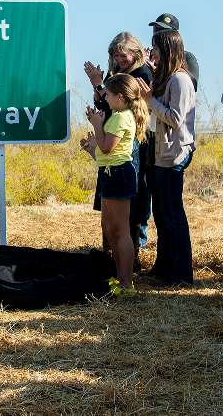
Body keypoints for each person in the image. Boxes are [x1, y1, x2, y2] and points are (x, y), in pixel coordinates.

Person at [84, 32, 153, 271]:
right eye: (115, 55)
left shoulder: (142, 75)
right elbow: (106, 106)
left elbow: (109, 141)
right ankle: (115, 262)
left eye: (123, 55)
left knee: (126, 217)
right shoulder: (117, 79)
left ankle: (129, 264)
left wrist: (99, 86)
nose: (119, 59)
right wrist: (100, 90)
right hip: (111, 154)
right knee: (110, 222)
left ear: (136, 53)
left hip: (125, 153)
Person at [136, 29, 195, 287]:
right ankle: (165, 267)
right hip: (162, 154)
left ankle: (181, 273)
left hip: (173, 155)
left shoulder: (181, 80)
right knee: (163, 215)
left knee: (173, 215)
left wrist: (150, 100)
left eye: (157, 49)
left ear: (169, 50)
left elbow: (174, 118)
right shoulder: (167, 78)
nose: (154, 54)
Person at [85, 73, 149, 296]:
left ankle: (126, 283)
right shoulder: (118, 115)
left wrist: (97, 126)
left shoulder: (122, 118)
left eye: (109, 95)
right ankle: (119, 276)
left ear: (120, 97)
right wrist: (92, 147)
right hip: (109, 173)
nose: (106, 99)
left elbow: (106, 147)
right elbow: (104, 152)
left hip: (119, 175)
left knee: (121, 231)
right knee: (109, 228)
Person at [149, 13, 199, 91]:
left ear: (176, 34)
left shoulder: (187, 58)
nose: (158, 33)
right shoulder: (151, 56)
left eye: (163, 30)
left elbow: (190, 88)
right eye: (155, 29)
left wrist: (158, 73)